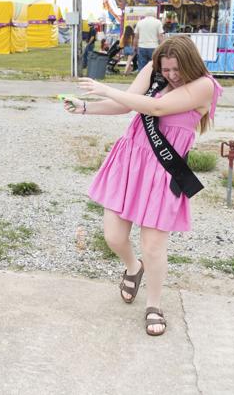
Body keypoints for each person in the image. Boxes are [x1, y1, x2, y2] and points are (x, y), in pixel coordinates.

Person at [63, 36, 223, 336]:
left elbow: (156, 108)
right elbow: (125, 106)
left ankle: (154, 304)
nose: (171, 75)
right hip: (130, 161)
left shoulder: (204, 85)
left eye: (177, 69)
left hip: (164, 171)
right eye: (166, 69)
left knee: (153, 246)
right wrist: (86, 107)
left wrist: (107, 88)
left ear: (190, 63)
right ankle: (133, 268)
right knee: (113, 236)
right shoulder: (154, 69)